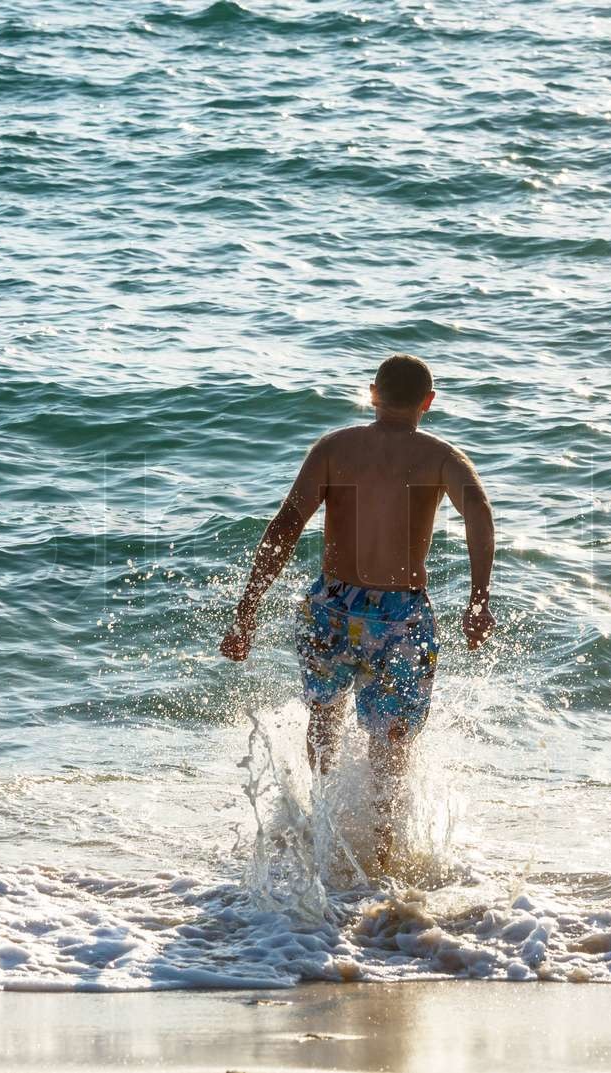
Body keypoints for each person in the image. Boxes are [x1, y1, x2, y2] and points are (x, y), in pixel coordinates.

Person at [219, 353, 495, 870]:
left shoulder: (333, 448)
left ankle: (323, 840)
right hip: (400, 618)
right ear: (428, 402)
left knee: (324, 720)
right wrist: (478, 598)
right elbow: (478, 509)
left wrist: (247, 608)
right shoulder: (441, 458)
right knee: (391, 743)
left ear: (372, 394)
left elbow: (286, 526)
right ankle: (384, 858)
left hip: (331, 608)